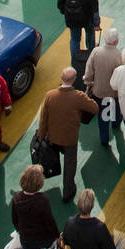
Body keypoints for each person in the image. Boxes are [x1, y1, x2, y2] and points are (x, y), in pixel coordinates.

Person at [38, 68, 97, 202]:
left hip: (52, 137)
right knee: (70, 164)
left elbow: (43, 119)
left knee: (53, 157)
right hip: (69, 138)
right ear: (74, 79)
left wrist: (42, 136)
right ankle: (68, 191)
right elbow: (94, 108)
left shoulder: (50, 95)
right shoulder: (78, 96)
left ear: (61, 78)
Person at [11, 164, 60, 249]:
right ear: (38, 183)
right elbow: (50, 222)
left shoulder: (16, 198)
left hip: (26, 238)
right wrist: (57, 237)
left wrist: (21, 231)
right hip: (43, 238)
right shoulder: (41, 200)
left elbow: (15, 220)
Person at [84, 26, 123, 149]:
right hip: (114, 92)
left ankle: (104, 139)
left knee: (103, 116)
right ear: (116, 41)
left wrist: (89, 82)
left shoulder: (96, 51)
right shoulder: (119, 55)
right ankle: (116, 124)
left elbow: (89, 70)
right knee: (117, 110)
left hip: (99, 92)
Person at [57, 0, 99, 70]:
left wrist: (66, 13)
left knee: (75, 39)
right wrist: (96, 24)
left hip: (72, 19)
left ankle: (75, 63)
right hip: (87, 19)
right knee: (90, 36)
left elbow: (59, 3)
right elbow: (95, 8)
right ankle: (90, 60)